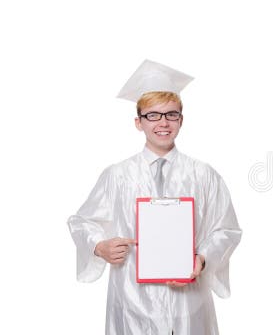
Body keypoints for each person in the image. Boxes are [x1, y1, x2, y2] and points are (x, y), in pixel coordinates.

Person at [67, 60, 242, 335]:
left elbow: (226, 229)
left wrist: (203, 259)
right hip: (133, 300)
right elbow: (81, 221)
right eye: (153, 115)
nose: (163, 122)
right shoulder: (118, 175)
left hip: (188, 303)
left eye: (171, 114)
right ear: (138, 122)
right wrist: (99, 246)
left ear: (181, 120)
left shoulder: (203, 175)